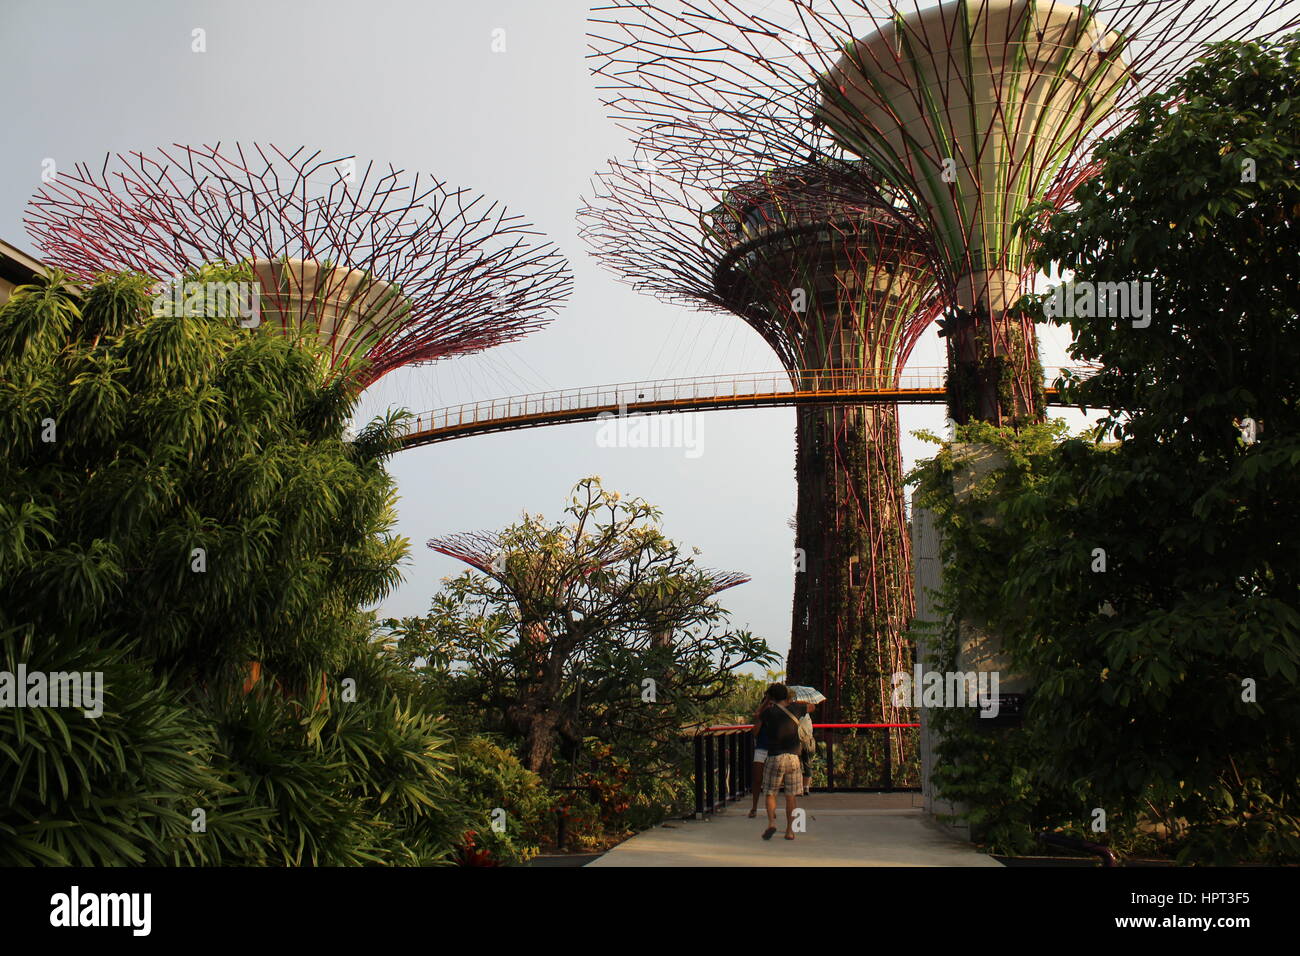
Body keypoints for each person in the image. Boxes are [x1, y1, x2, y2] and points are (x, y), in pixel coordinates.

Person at [756, 683, 807, 841]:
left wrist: (767, 701)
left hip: (774, 757)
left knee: (770, 793)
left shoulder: (769, 713)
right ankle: (790, 831)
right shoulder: (796, 709)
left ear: (771, 697)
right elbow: (811, 707)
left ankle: (772, 822)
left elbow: (758, 714)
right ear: (786, 695)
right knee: (791, 795)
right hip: (793, 758)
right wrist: (792, 700)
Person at [748, 691, 773, 818]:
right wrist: (761, 718)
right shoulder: (761, 717)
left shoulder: (777, 716)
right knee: (757, 779)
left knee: (773, 782)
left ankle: (771, 809)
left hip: (774, 750)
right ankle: (754, 807)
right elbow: (755, 733)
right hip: (761, 749)